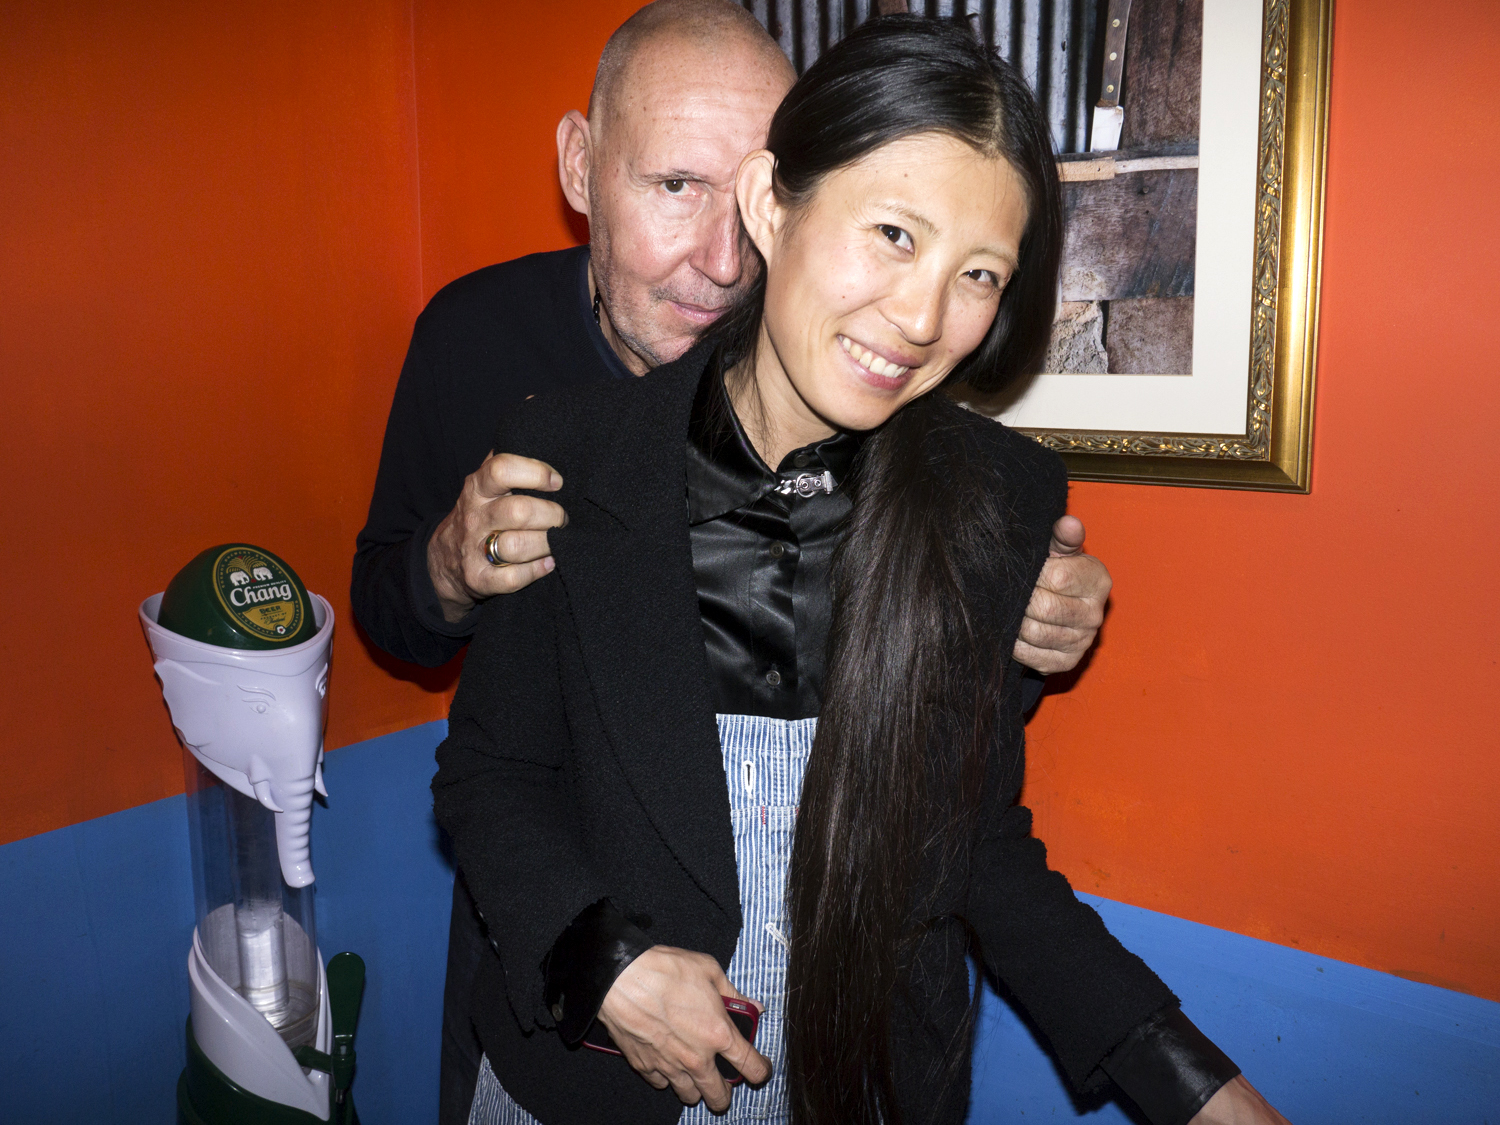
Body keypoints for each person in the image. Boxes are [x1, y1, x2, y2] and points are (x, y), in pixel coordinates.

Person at [432, 15, 1291, 1125]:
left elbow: (974, 851)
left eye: (979, 272)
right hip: (589, 1087)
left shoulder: (1000, 503)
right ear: (771, 203)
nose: (926, 318)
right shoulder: (568, 457)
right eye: (894, 233)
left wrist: (1195, 1086)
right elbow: (490, 775)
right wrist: (603, 960)